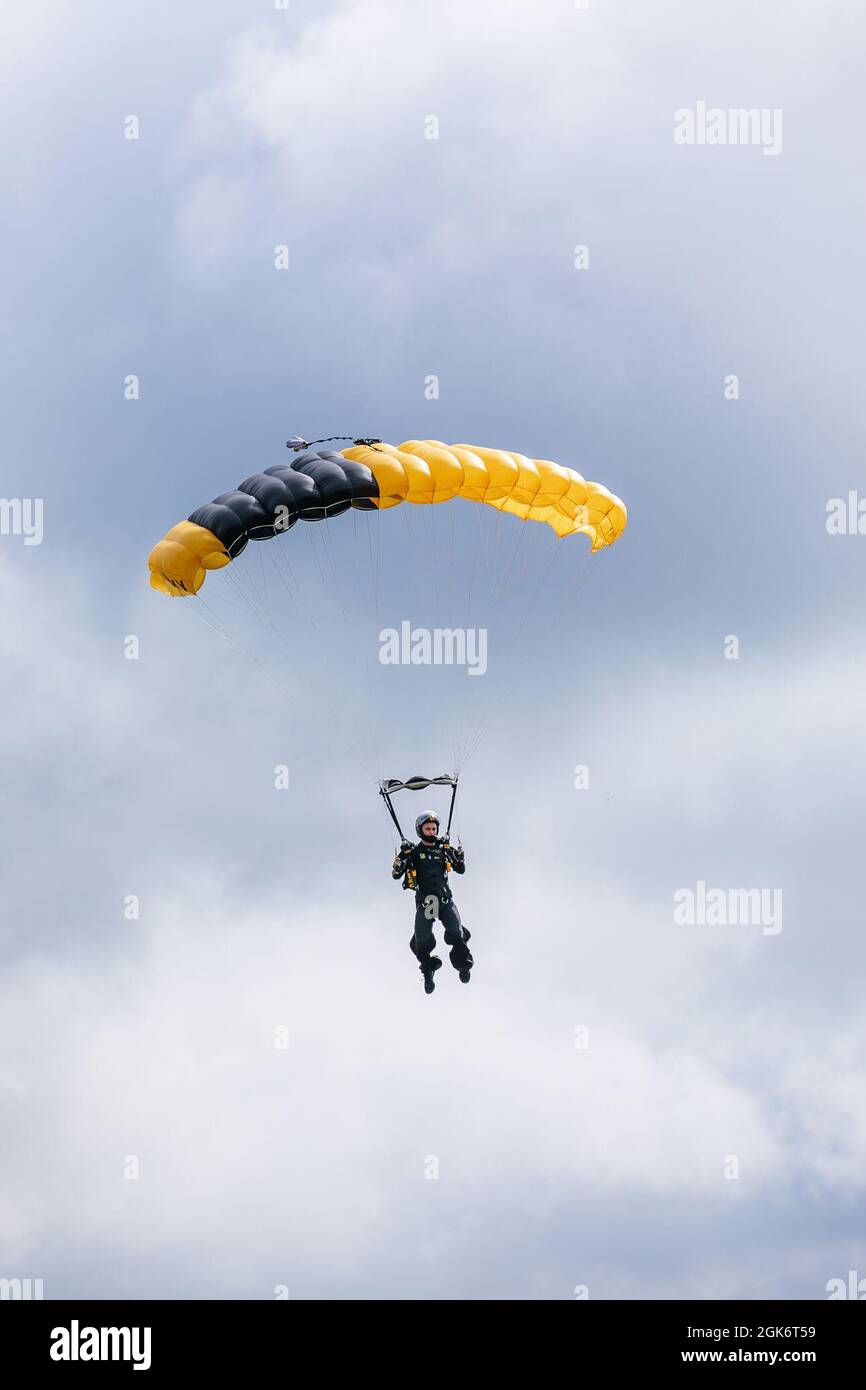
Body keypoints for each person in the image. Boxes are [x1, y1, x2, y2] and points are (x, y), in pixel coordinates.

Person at [392, 811, 474, 994]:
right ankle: (428, 971)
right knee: (422, 938)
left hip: (444, 899)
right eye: (428, 829)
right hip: (428, 902)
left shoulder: (444, 849)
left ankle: (463, 966)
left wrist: (460, 858)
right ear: (420, 830)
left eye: (434, 828)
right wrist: (399, 864)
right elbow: (396, 874)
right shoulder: (413, 852)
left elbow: (460, 869)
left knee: (455, 931)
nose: (431, 832)